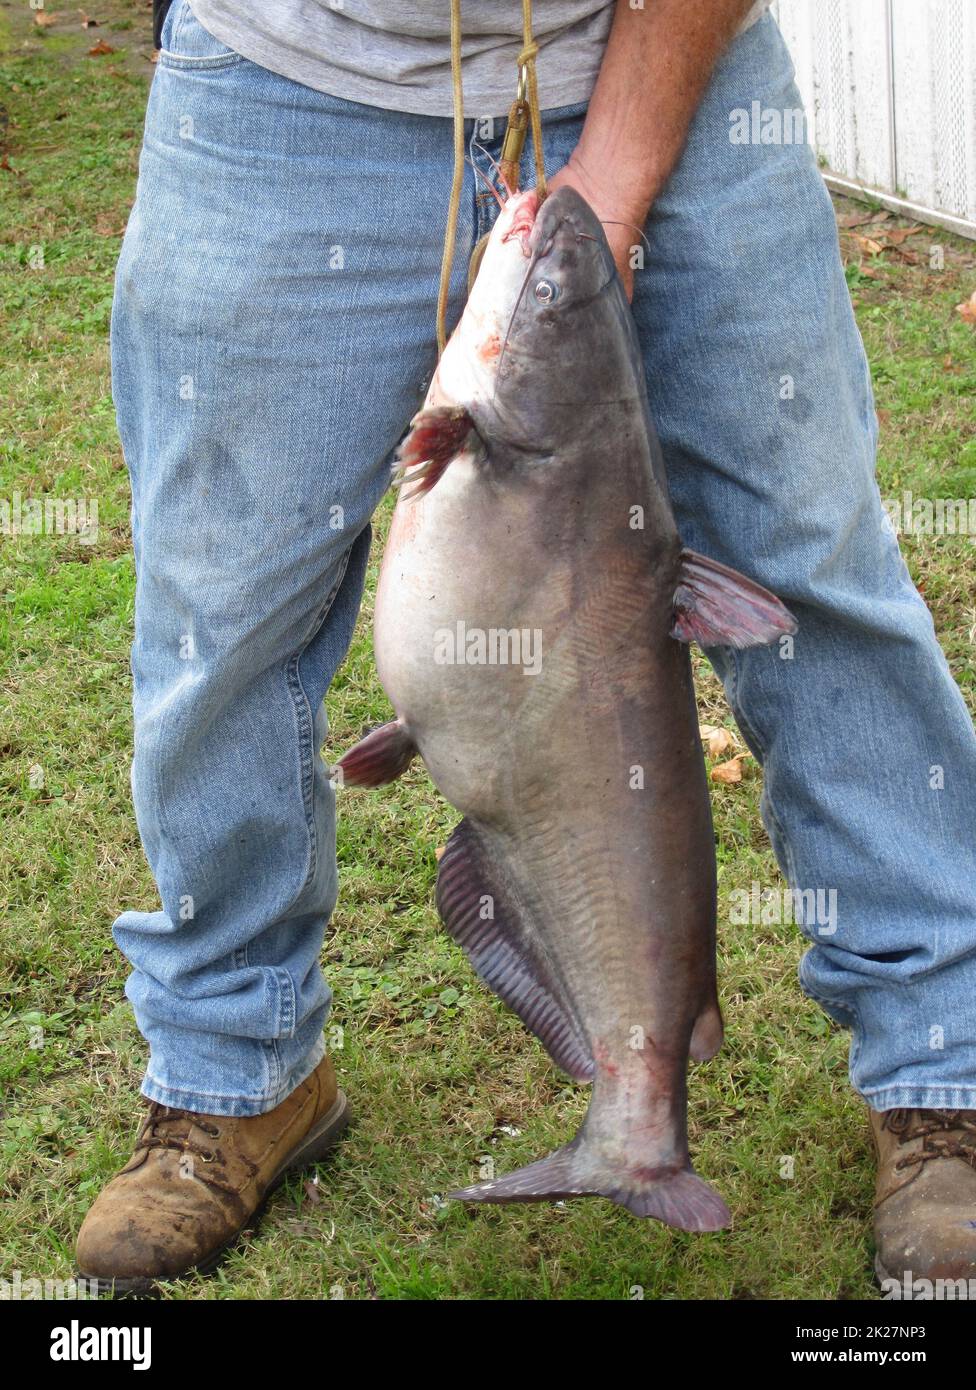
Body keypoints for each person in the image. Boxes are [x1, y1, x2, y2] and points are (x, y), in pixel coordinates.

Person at [76, 0, 976, 1295]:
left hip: (666, 52)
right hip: (285, 78)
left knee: (811, 570)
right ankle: (233, 1067)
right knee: (219, 614)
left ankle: (944, 1063)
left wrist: (606, 196)